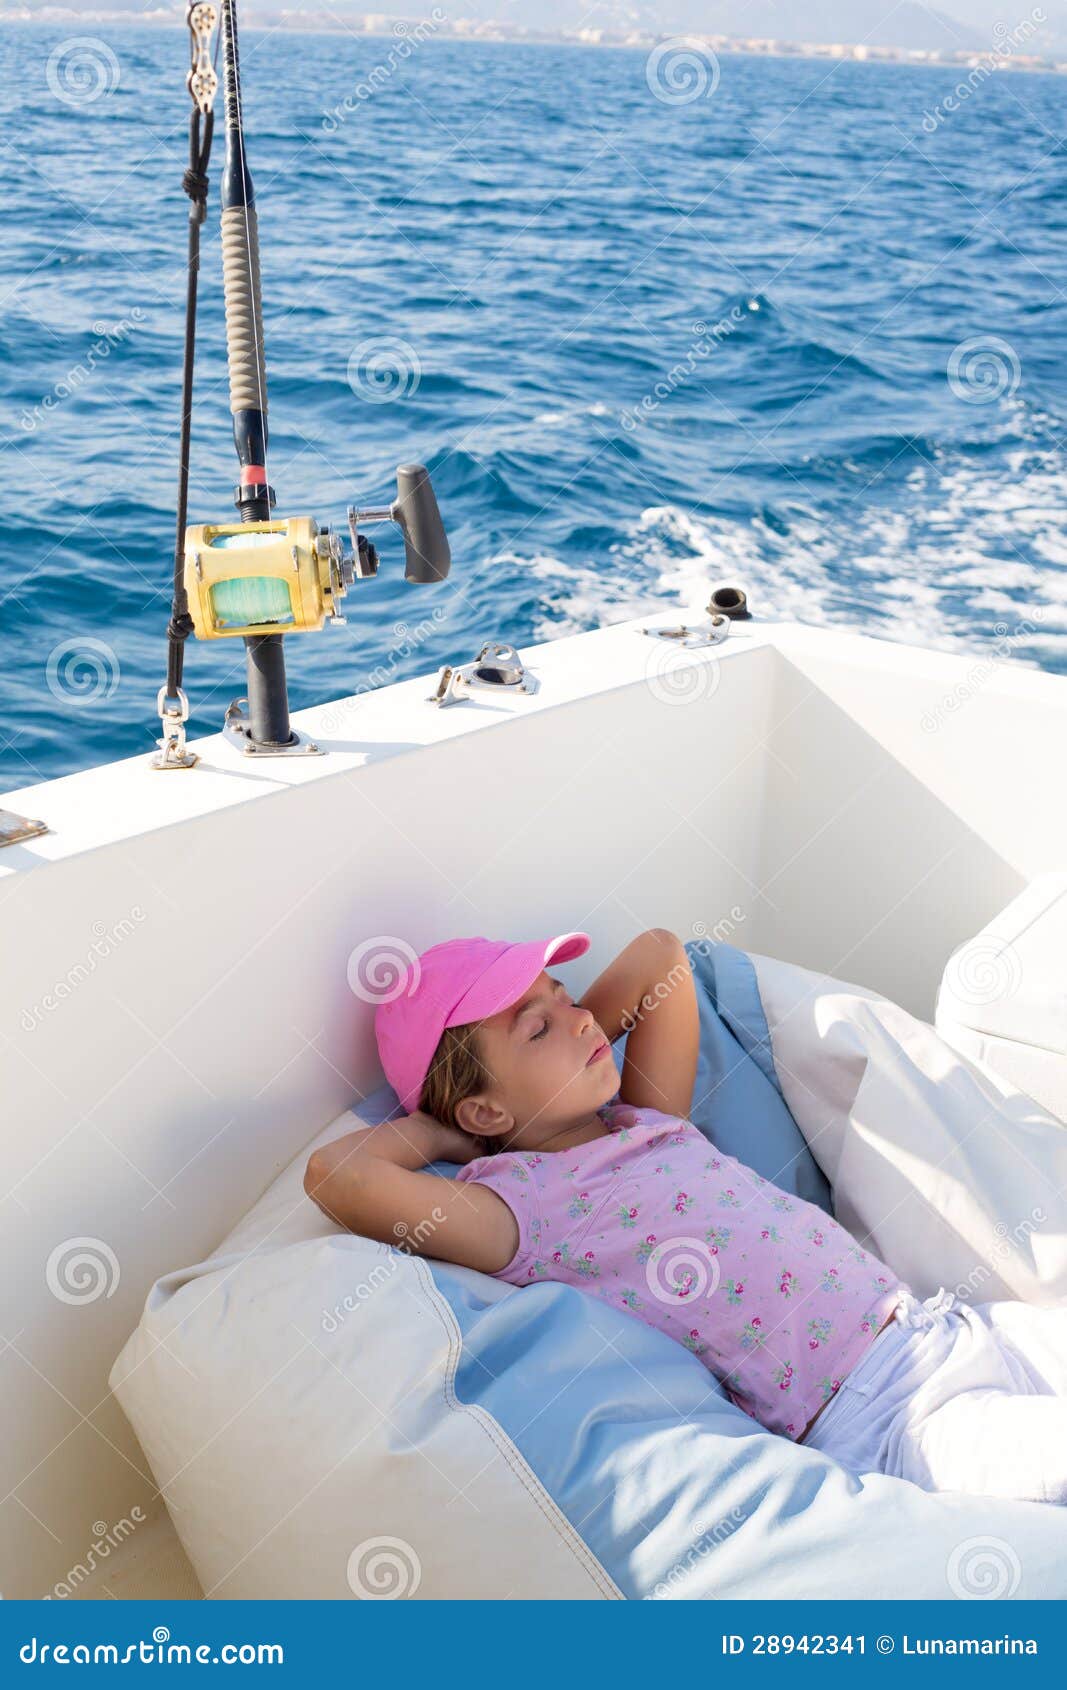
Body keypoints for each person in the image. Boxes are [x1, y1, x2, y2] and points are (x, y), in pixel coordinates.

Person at [304, 927, 1067, 1504]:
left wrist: (559, 1043)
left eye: (566, 1000)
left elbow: (661, 958)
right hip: (892, 1421)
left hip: (954, 1329)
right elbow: (337, 1174)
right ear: (482, 1109)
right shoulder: (523, 1208)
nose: (580, 1022)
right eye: (537, 1028)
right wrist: (447, 1135)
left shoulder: (645, 1120)